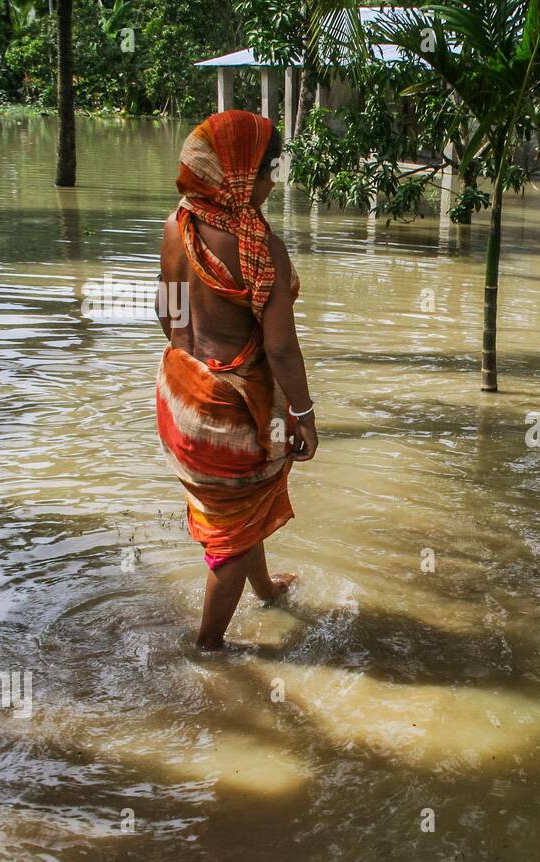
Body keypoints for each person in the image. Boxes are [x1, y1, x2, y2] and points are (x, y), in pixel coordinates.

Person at [154, 110, 318, 650]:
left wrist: (195, 357)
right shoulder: (260, 249)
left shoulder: (177, 225)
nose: (273, 182)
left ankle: (267, 589)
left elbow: (166, 310)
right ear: (242, 176)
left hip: (179, 394)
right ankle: (208, 649)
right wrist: (302, 414)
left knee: (239, 513)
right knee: (229, 539)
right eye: (269, 170)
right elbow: (280, 347)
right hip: (231, 413)